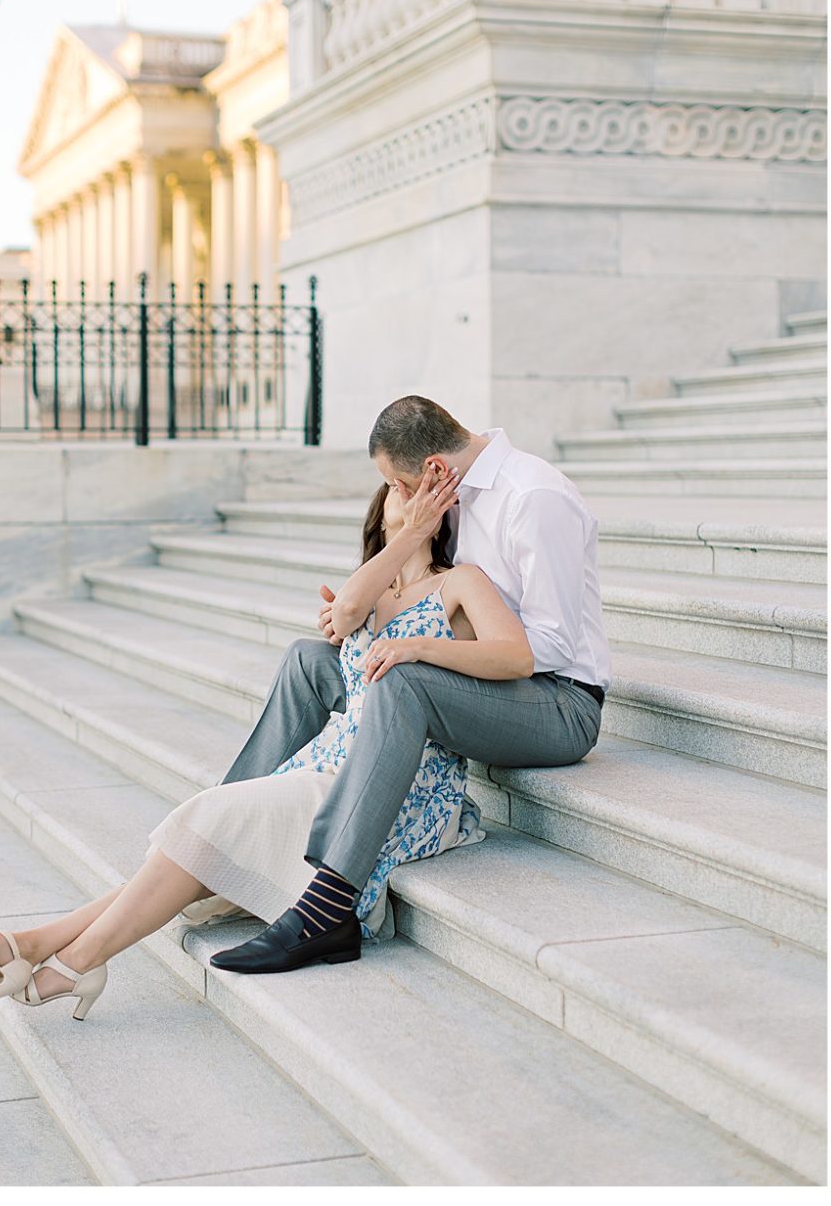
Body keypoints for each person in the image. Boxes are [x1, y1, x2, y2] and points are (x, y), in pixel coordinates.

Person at [0, 460, 526, 1016]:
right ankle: (34, 946)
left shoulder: (460, 583)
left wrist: (420, 647)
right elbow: (347, 608)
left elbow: (515, 657)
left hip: (398, 784)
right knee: (200, 843)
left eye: (419, 490)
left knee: (208, 825)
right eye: (397, 490)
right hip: (323, 767)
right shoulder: (368, 597)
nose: (411, 490)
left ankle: (63, 956)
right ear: (381, 521)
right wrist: (406, 538)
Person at [208, 396, 608, 974]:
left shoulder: (534, 497)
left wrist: (418, 645)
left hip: (558, 705)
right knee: (310, 660)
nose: (394, 494)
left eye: (396, 481)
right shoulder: (456, 499)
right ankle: (221, 836)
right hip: (475, 689)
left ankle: (329, 907)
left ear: (433, 471)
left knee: (404, 680)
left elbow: (549, 647)